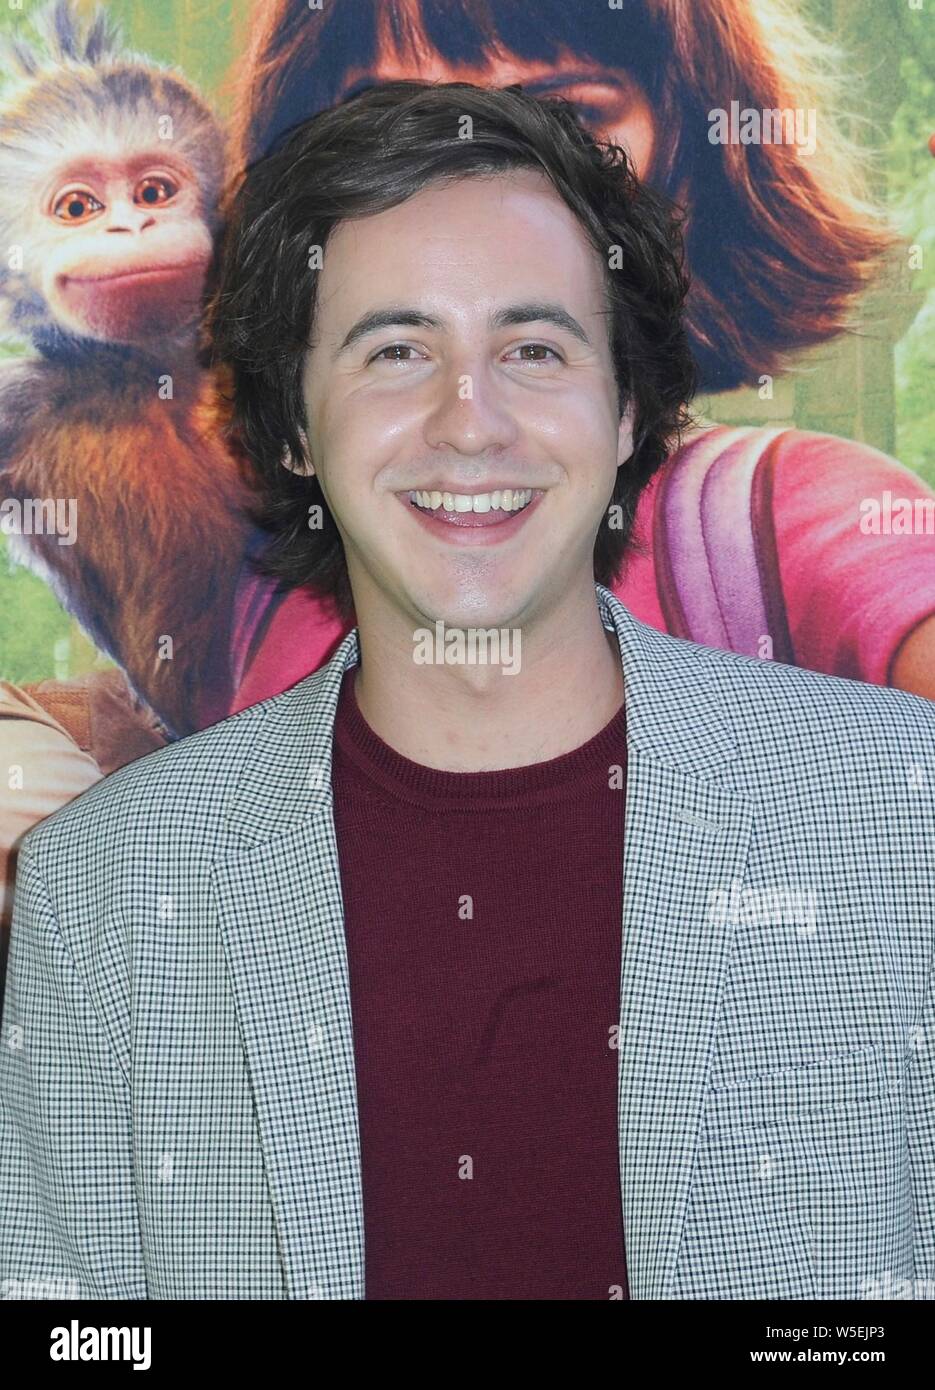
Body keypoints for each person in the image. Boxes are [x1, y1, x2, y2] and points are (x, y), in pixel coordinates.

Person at [1, 81, 932, 1301]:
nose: (468, 421)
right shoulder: (104, 889)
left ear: (626, 411)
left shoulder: (897, 817)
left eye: (532, 349)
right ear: (290, 428)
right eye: (396, 350)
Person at [222, 0, 935, 710]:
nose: (472, 200)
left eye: (568, 118)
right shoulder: (256, 571)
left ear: (695, 157)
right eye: (391, 126)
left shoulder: (799, 527)